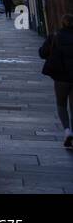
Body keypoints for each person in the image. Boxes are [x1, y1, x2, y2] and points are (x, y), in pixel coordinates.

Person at [38, 13, 73, 149]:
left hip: (61, 76)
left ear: (62, 23)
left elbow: (42, 53)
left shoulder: (55, 36)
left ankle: (67, 131)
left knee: (61, 103)